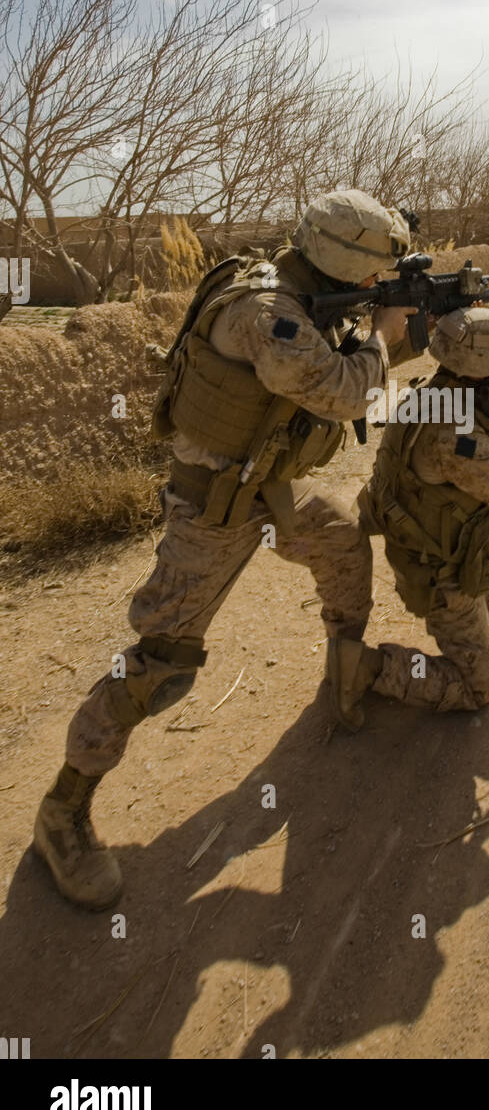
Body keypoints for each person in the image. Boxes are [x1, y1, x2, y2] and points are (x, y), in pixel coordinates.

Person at [34, 189, 416, 909]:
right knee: (159, 666)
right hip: (213, 514)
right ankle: (63, 810)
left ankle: (348, 666)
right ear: (340, 264)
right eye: (373, 277)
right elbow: (339, 393)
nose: (375, 289)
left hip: (265, 491)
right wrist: (382, 337)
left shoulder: (303, 291)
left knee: (340, 544)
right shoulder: (267, 311)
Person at [329, 307, 489, 728]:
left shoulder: (430, 394)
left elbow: (483, 469)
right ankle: (364, 667)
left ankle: (478, 597)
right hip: (437, 576)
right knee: (479, 687)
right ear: (481, 367)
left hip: (420, 537)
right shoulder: (455, 436)